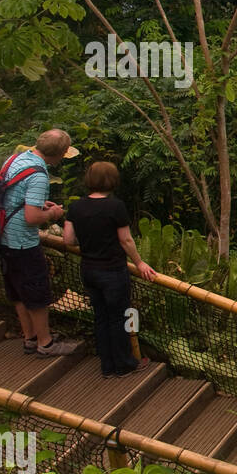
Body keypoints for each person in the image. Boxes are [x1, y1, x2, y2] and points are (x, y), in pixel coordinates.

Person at [63, 162, 156, 378]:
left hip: (89, 269)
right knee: (118, 318)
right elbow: (126, 240)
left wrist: (88, 241)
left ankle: (107, 365)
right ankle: (124, 365)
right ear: (113, 180)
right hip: (112, 272)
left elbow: (68, 239)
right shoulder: (115, 207)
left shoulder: (76, 207)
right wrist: (140, 262)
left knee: (101, 317)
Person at [0, 130, 84, 358]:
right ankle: (45, 344)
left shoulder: (16, 159)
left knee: (18, 291)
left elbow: (12, 197)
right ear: (59, 155)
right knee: (36, 293)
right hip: (22, 243)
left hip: (3, 236)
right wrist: (53, 213)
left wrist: (37, 205)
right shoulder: (38, 175)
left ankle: (30, 338)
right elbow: (32, 218)